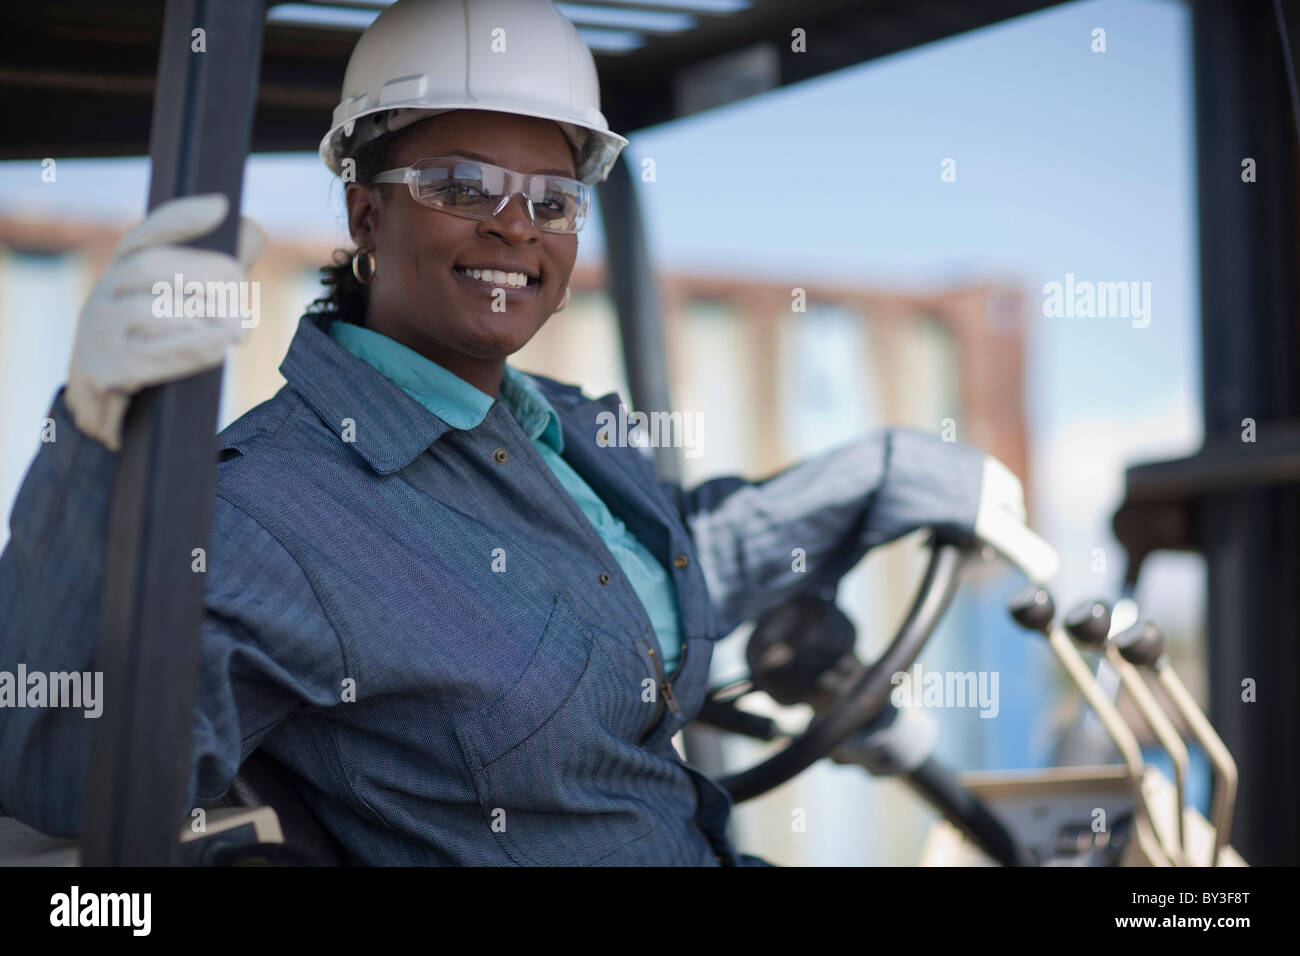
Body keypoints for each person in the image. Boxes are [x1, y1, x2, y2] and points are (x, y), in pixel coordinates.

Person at [0, 0, 1056, 866]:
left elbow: (663, 571)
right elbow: (68, 775)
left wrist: (882, 475)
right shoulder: (273, 509)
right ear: (366, 214)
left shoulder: (567, 428)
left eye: (552, 199)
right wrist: (90, 444)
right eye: (461, 186)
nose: (514, 225)